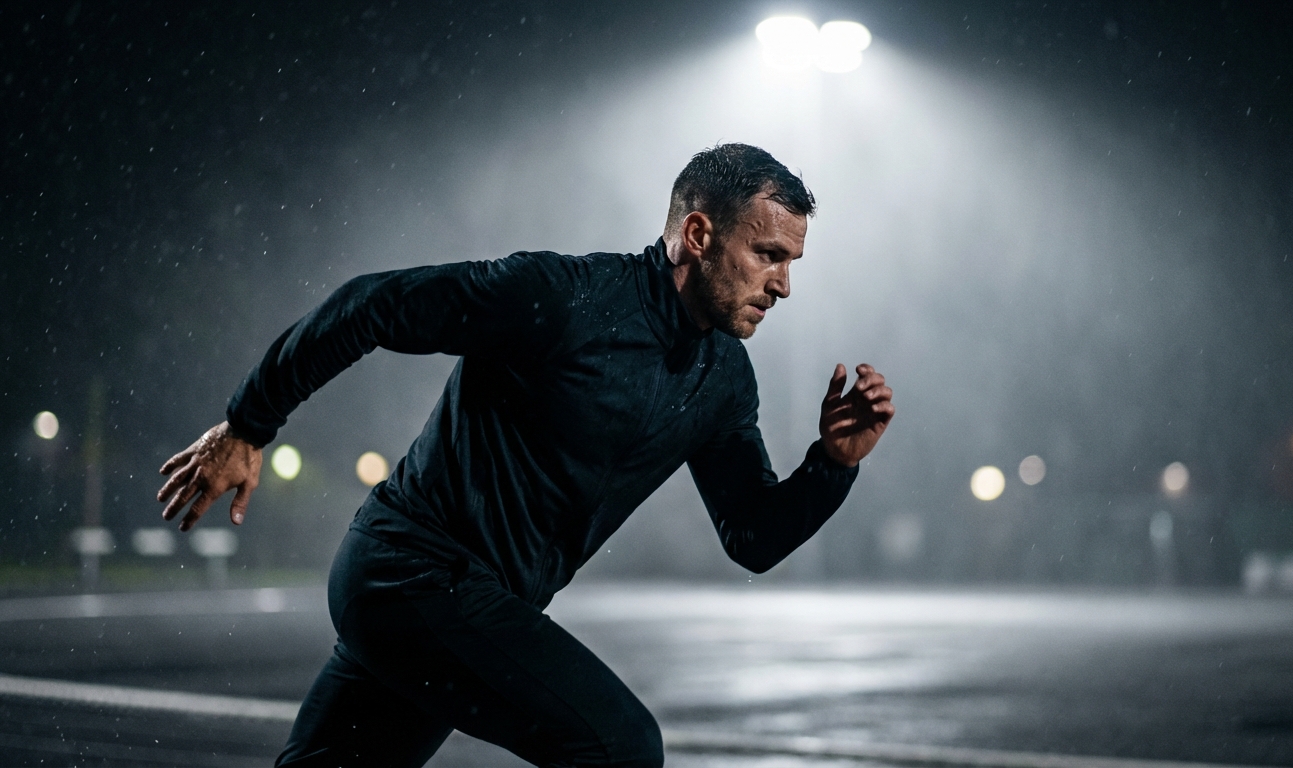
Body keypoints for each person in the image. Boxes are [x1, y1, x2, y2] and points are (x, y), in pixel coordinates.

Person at [156, 143, 895, 768]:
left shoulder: (724, 379)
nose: (784, 285)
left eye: (792, 261)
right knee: (620, 748)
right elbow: (371, 305)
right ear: (698, 235)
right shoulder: (561, 297)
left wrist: (832, 463)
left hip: (471, 608)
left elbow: (753, 538)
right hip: (409, 574)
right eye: (768, 254)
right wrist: (248, 425)